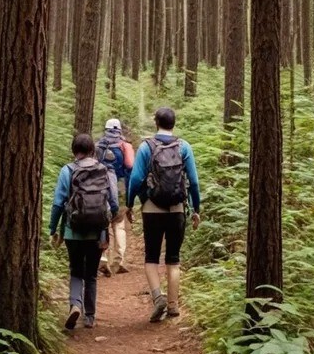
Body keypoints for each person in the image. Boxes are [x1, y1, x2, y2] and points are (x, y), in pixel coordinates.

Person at [127, 107, 201, 322]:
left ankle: (157, 296)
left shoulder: (146, 147)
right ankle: (173, 305)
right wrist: (196, 209)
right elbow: (194, 182)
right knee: (173, 259)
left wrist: (130, 204)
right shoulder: (184, 146)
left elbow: (135, 179)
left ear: (156, 122)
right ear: (173, 123)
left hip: (152, 209)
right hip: (177, 209)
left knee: (151, 256)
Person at [50, 133, 118, 330]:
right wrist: (106, 223)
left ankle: (75, 304)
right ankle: (89, 316)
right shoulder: (104, 170)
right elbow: (113, 203)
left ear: (74, 151)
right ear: (93, 151)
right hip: (97, 231)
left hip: (73, 231)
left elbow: (57, 203)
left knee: (76, 271)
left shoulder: (67, 170)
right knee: (91, 274)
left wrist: (53, 227)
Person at [95, 117, 134, 276]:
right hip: (120, 187)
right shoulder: (125, 145)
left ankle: (103, 257)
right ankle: (119, 260)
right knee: (118, 224)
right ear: (120, 130)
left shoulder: (98, 145)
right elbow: (131, 166)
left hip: (99, 187)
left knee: (103, 222)